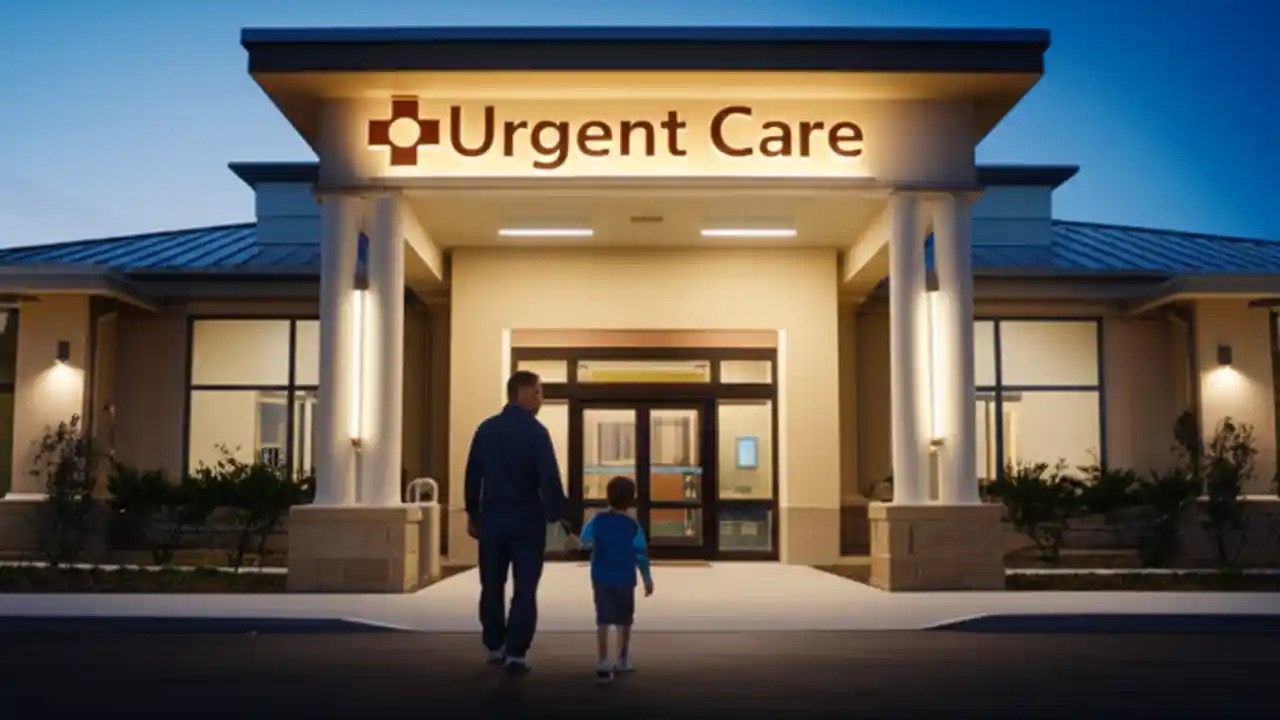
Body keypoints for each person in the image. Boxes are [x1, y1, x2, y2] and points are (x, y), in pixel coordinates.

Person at [465, 370, 567, 675]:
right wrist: (557, 515)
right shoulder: (536, 433)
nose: (541, 398)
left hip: (493, 521)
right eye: (539, 391)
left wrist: (473, 514)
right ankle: (516, 651)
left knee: (491, 584)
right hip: (526, 520)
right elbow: (548, 478)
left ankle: (494, 643)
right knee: (525, 587)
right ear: (522, 393)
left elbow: (473, 476)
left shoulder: (486, 429)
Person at [578, 475, 654, 684]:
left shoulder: (597, 520)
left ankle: (602, 660)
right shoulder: (632, 526)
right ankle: (622, 659)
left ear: (608, 497)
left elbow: (584, 541)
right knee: (625, 620)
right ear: (632, 499)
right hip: (625, 578)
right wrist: (647, 578)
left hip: (601, 577)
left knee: (603, 620)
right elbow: (640, 554)